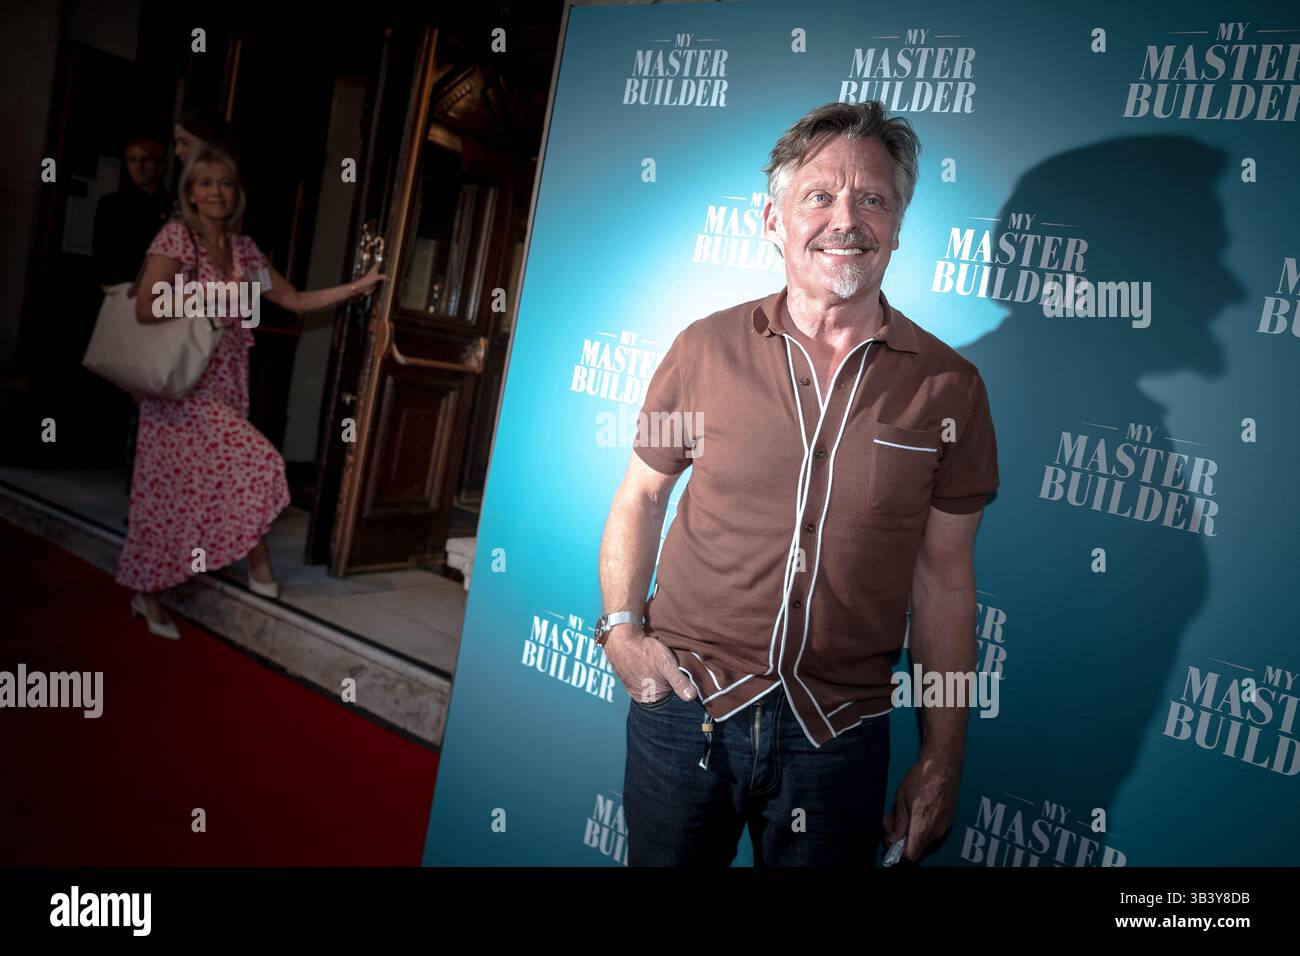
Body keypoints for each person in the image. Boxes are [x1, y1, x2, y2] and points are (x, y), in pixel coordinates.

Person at [599, 101, 1000, 866]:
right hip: (687, 710)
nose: (846, 219)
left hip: (840, 738)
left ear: (899, 223)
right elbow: (640, 496)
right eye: (819, 195)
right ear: (773, 219)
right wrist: (621, 630)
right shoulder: (700, 349)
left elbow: (946, 581)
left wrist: (944, 756)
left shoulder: (953, 388)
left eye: (873, 199)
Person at [118, 146, 384, 638]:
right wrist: (218, 293)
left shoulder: (244, 250)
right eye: (205, 183)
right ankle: (256, 561)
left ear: (236, 192)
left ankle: (148, 594)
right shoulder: (177, 237)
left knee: (183, 494)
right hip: (181, 388)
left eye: (225, 183)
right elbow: (147, 308)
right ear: (190, 193)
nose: (216, 192)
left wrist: (356, 289)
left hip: (227, 384)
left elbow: (296, 300)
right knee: (254, 466)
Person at [92, 137, 172, 287]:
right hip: (121, 286)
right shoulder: (111, 204)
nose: (139, 166)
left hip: (161, 287)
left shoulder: (172, 206)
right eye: (132, 160)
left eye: (145, 160)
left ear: (159, 165)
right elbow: (101, 252)